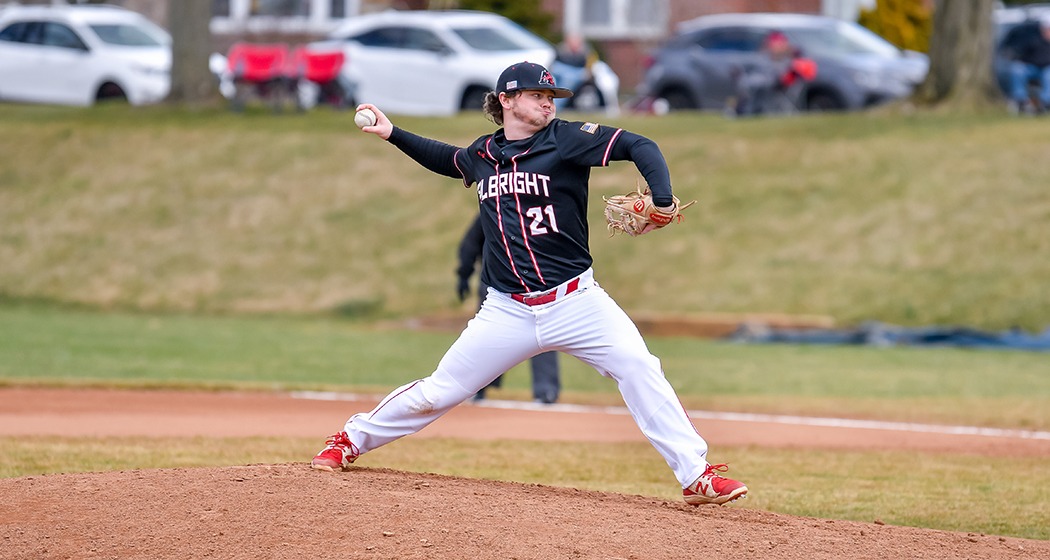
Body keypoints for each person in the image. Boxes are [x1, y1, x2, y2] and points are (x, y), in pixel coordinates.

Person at [310, 61, 748, 506]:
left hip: (577, 301)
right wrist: (393, 133)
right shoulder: (482, 155)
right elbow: (447, 159)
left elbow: (640, 144)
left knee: (639, 367)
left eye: (550, 96)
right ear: (506, 100)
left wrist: (660, 195)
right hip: (506, 311)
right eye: (537, 94)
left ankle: (697, 475)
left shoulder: (567, 140)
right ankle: (349, 440)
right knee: (441, 390)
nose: (547, 102)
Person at [457, 214, 561, 404]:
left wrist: (464, 274)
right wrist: (463, 274)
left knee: (543, 333)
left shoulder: (537, 208)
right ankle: (478, 386)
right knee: (489, 337)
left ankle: (546, 390)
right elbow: (471, 243)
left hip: (534, 283)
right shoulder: (494, 207)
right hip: (498, 286)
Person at [731, 30, 815, 117]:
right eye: (774, 45)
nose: (776, 47)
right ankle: (745, 110)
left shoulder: (789, 60)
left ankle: (747, 111)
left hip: (775, 86)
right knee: (751, 85)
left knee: (754, 86)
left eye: (779, 44)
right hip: (764, 83)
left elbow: (780, 77)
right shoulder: (766, 57)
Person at [1001, 14, 1050, 114]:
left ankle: (1045, 103)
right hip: (1031, 67)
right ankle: (1021, 101)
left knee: (1048, 74)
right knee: (1017, 69)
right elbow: (1019, 52)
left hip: (1047, 69)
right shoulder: (1031, 38)